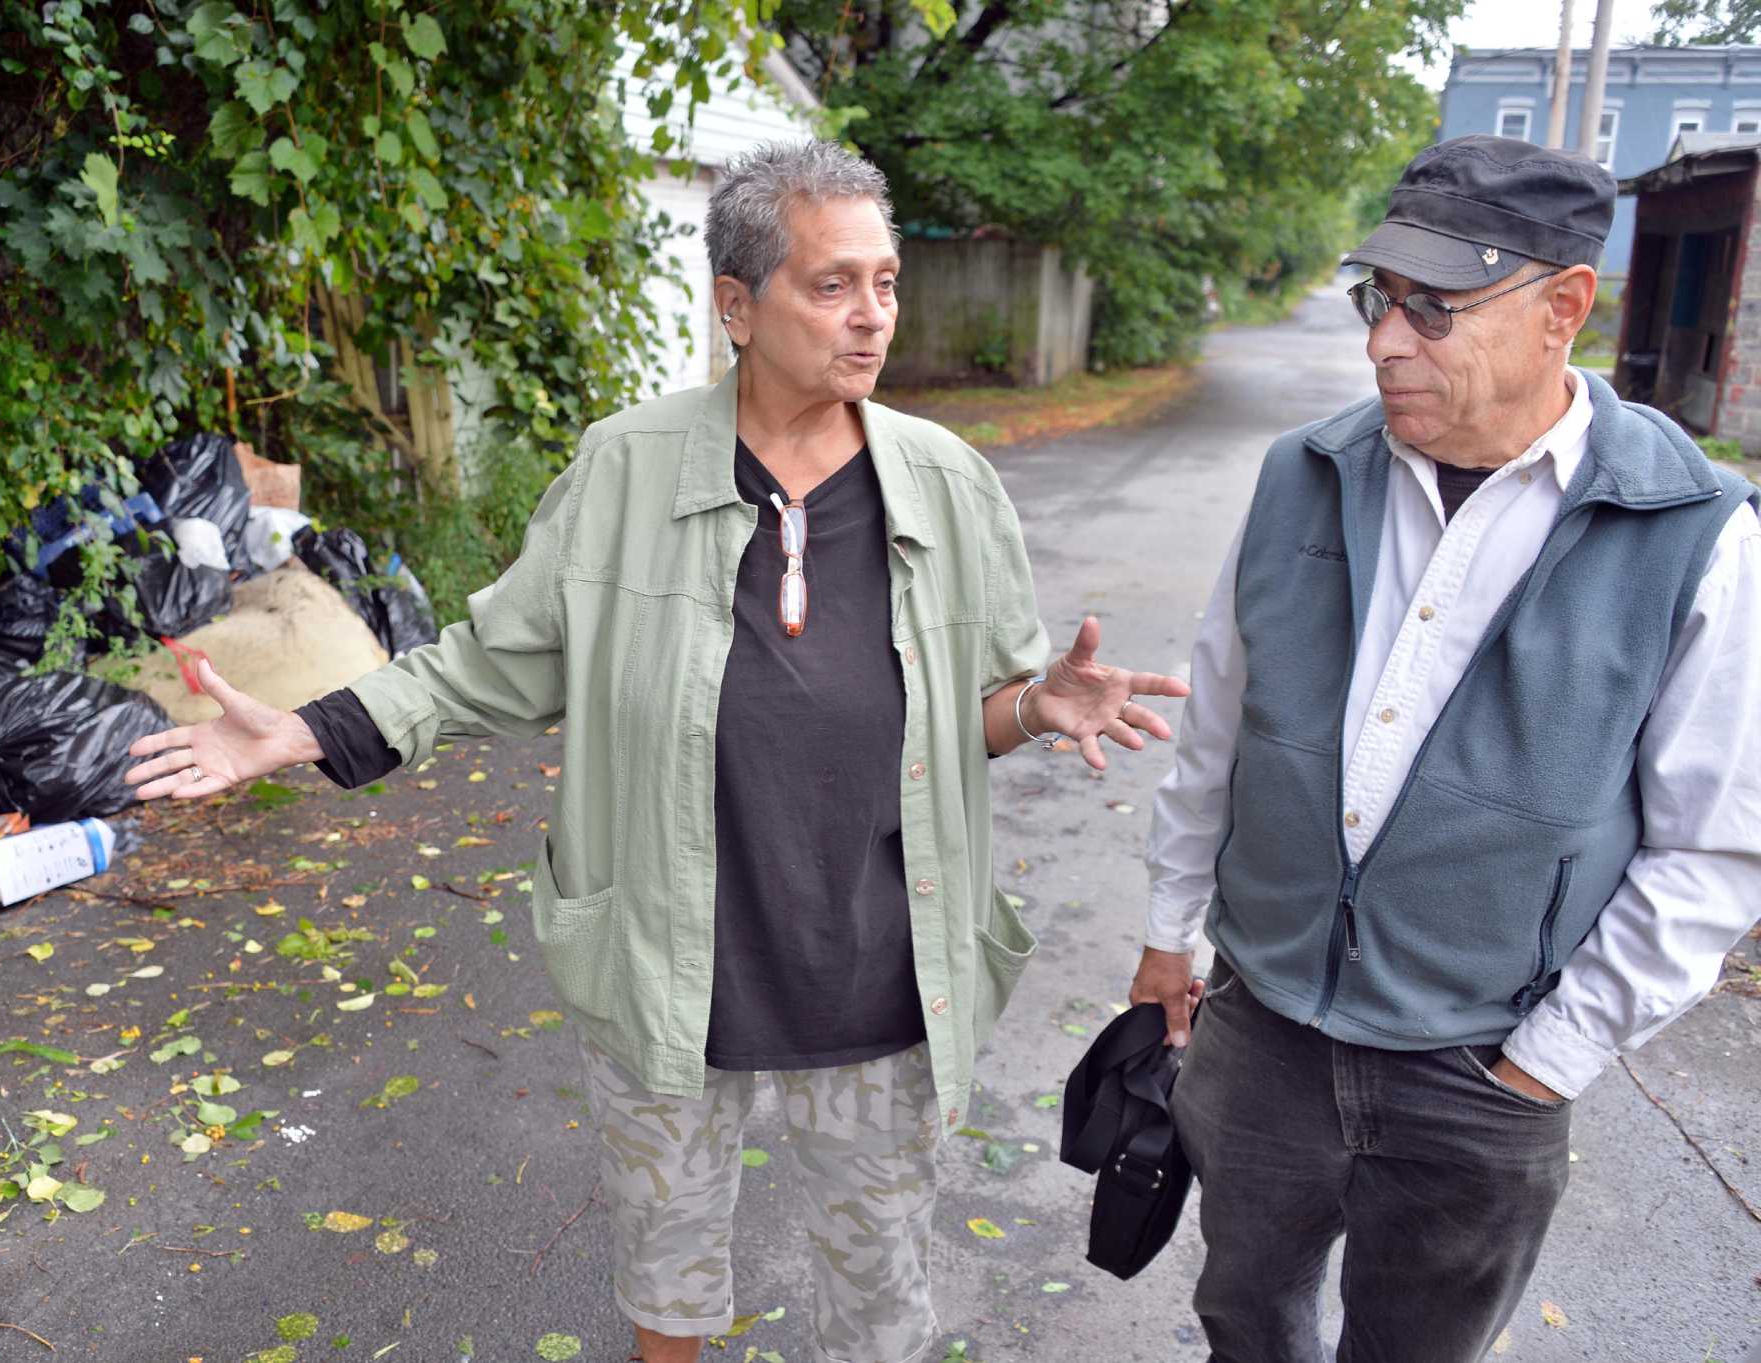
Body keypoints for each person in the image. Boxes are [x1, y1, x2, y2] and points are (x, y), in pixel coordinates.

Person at [126, 139, 1189, 1363]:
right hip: (672, 974)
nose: (872, 317)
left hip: (879, 974)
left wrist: (1035, 707)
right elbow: (498, 660)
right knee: (668, 1295)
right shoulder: (626, 466)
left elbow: (968, 712)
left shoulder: (946, 485)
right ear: (736, 305)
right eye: (832, 284)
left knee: (879, 1305)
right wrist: (309, 727)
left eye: (886, 283)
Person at [1131, 133, 1761, 1363]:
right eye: (1378, 298)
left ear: (1560, 309)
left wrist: (1543, 1061)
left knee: (1417, 1349)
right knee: (1241, 1316)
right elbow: (1216, 725)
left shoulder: (1695, 534)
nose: (1382, 339)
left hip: (1478, 1069)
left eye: (1435, 307)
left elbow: (1711, 850)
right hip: (1260, 1033)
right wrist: (1169, 928)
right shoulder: (1301, 474)